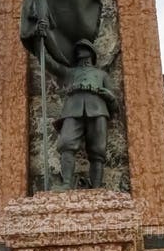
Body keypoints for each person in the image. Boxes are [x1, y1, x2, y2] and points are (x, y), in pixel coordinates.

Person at [41, 36, 118, 189]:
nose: (79, 51)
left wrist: (109, 96)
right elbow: (51, 64)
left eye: (83, 48)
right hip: (73, 110)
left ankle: (96, 187)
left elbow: (114, 103)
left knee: (98, 150)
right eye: (78, 49)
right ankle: (66, 183)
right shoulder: (70, 72)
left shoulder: (101, 75)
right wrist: (39, 44)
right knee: (66, 143)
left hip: (98, 110)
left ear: (91, 53)